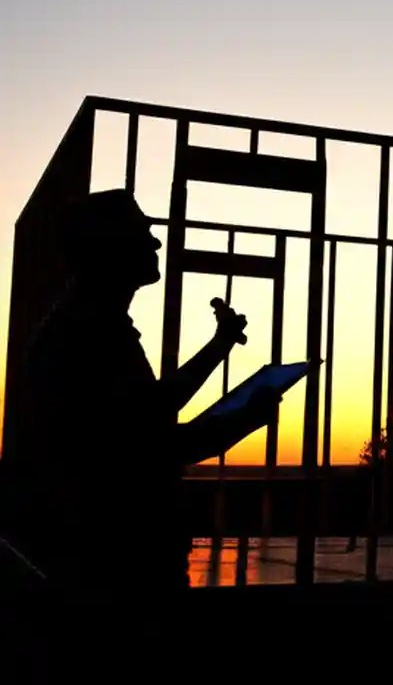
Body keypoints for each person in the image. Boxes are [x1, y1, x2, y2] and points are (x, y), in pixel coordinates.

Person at [0, 188, 279, 592]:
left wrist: (221, 344)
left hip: (105, 556)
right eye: (140, 231)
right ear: (109, 247)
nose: (155, 241)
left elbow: (150, 409)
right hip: (114, 566)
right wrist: (244, 418)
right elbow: (152, 446)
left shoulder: (88, 324)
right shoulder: (87, 334)